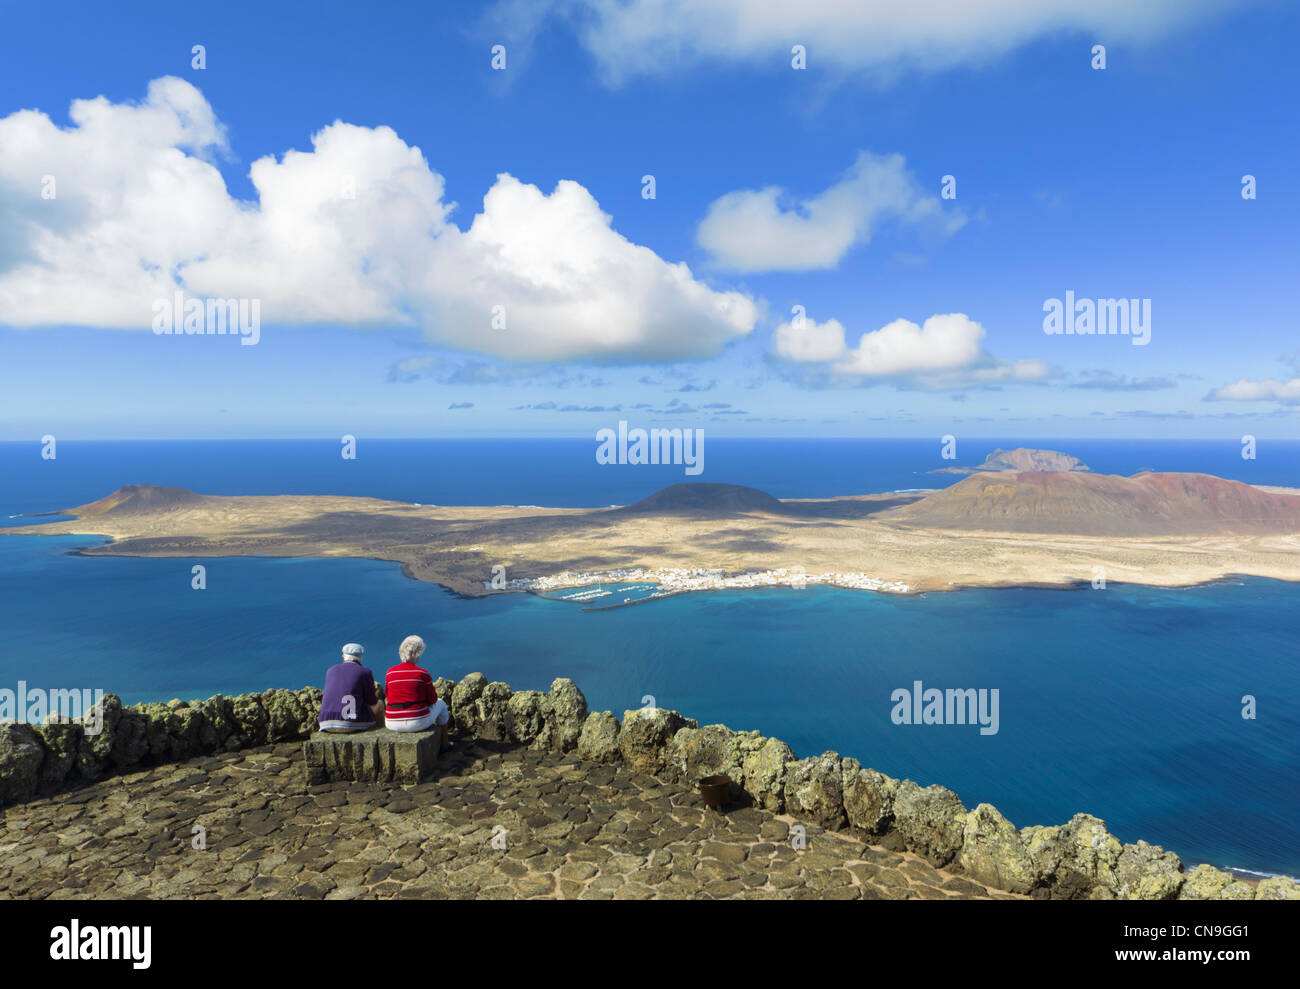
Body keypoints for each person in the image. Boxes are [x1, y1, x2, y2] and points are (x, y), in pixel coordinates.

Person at [384, 634, 452, 750]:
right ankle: (445, 742)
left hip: (392, 722)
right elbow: (432, 700)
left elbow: (388, 696)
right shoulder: (422, 673)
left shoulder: (390, 672)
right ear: (418, 654)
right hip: (417, 721)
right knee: (441, 704)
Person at [318, 642, 384, 732]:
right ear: (360, 658)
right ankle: (380, 731)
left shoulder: (330, 671)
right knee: (380, 704)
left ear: (343, 657)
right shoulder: (365, 672)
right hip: (350, 723)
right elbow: (372, 701)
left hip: (325, 723)